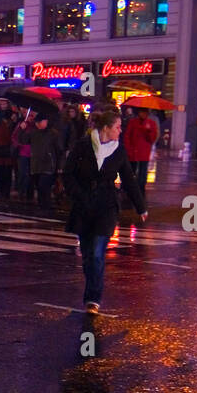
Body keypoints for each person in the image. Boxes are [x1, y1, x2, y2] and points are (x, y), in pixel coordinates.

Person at [63, 105, 148, 315]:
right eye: (118, 127)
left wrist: (141, 207)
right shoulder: (83, 146)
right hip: (83, 205)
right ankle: (91, 290)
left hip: (106, 206)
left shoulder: (118, 150)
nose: (121, 130)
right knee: (87, 254)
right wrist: (78, 194)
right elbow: (68, 174)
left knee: (98, 253)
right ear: (106, 128)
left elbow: (128, 178)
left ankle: (93, 298)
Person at [123, 106, 158, 204]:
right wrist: (129, 149)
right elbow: (127, 136)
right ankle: (130, 193)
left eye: (145, 112)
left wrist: (148, 131)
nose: (143, 114)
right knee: (131, 174)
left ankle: (140, 194)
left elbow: (152, 139)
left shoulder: (151, 123)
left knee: (142, 177)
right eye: (142, 112)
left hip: (144, 154)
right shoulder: (133, 122)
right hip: (133, 153)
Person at [28, 115, 62, 211]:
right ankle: (41, 206)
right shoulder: (33, 133)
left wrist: (59, 165)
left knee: (44, 187)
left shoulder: (53, 134)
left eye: (42, 121)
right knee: (39, 187)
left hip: (48, 165)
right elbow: (22, 139)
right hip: (36, 165)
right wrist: (21, 128)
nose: (39, 124)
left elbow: (59, 150)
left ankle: (46, 207)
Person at [0, 109, 15, 201]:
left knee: (5, 173)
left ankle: (4, 192)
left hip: (5, 152)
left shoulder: (10, 124)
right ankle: (4, 192)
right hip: (2, 152)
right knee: (3, 173)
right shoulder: (6, 124)